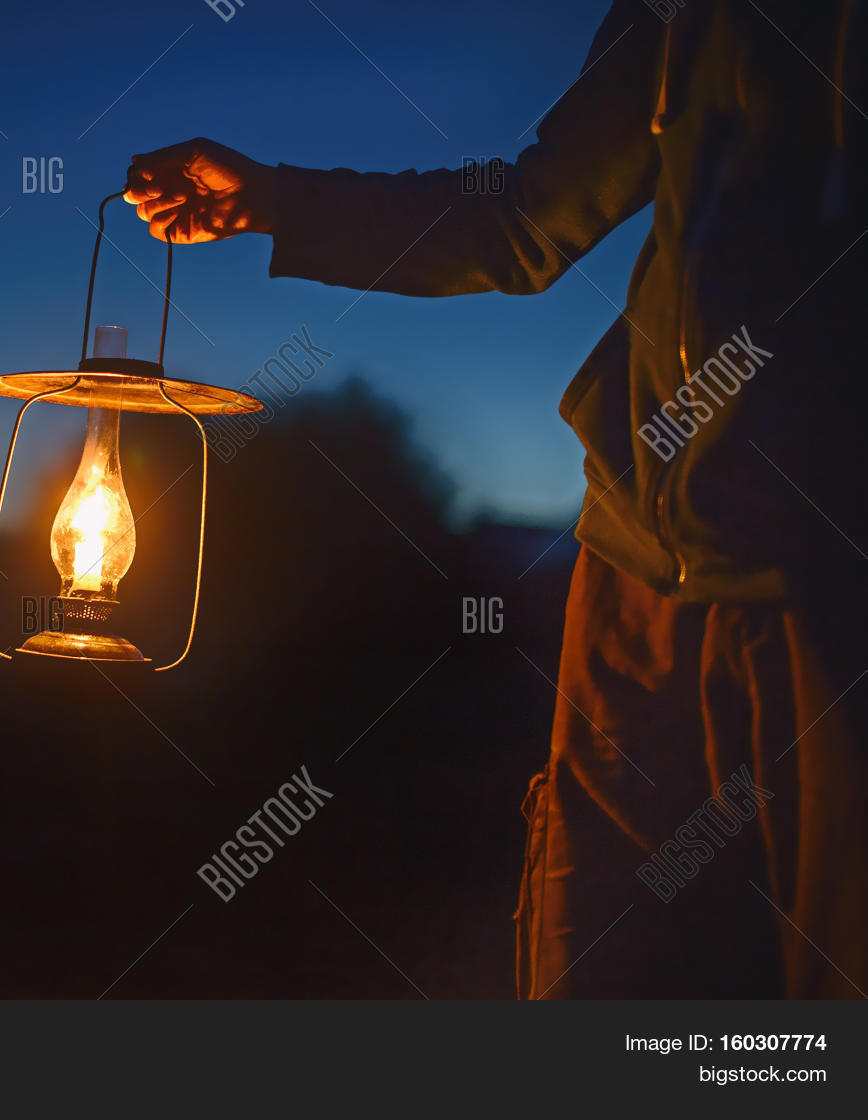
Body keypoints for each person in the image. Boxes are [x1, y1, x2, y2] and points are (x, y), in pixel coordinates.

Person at [125, 0, 867, 998]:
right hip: (636, 571)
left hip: (830, 589)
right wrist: (275, 200)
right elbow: (522, 219)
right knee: (596, 964)